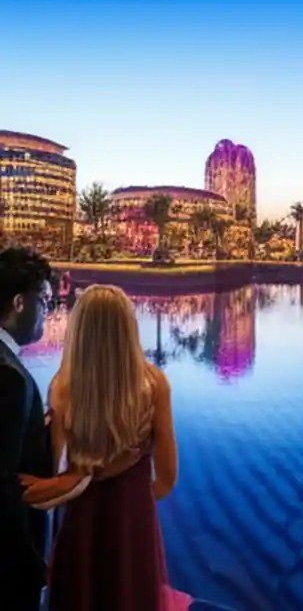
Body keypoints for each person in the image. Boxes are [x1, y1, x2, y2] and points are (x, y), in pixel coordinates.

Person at [21, 285, 188, 611]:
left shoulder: (62, 388)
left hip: (81, 518)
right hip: (134, 518)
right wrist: (131, 492)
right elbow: (167, 481)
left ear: (79, 330)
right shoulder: (155, 385)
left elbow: (56, 469)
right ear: (129, 327)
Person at [0, 247, 55, 610]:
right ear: (20, 302)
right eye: (45, 301)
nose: (48, 313)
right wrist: (33, 566)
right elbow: (3, 488)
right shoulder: (9, 377)